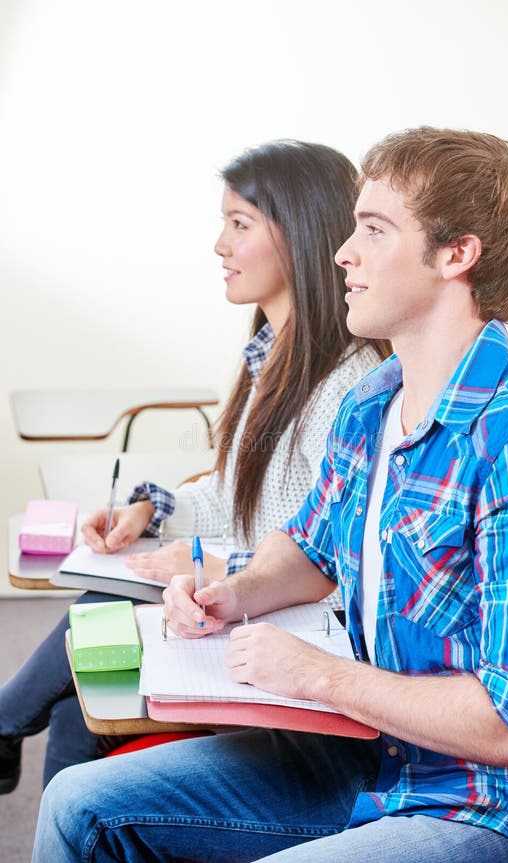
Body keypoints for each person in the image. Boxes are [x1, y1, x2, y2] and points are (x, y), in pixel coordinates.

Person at [32, 125, 508, 863]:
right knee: (78, 804)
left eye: (374, 230)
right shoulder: (373, 403)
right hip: (365, 754)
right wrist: (234, 594)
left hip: (488, 802)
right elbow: (312, 549)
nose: (343, 253)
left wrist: (320, 675)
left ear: (457, 254)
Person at [0, 139, 389, 793]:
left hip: (286, 630)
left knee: (97, 617)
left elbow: (331, 567)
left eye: (239, 224)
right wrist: (149, 510)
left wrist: (215, 565)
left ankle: (5, 728)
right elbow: (232, 495)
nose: (219, 245)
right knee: (79, 686)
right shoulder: (270, 355)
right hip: (240, 600)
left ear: (299, 236)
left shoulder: (346, 387)